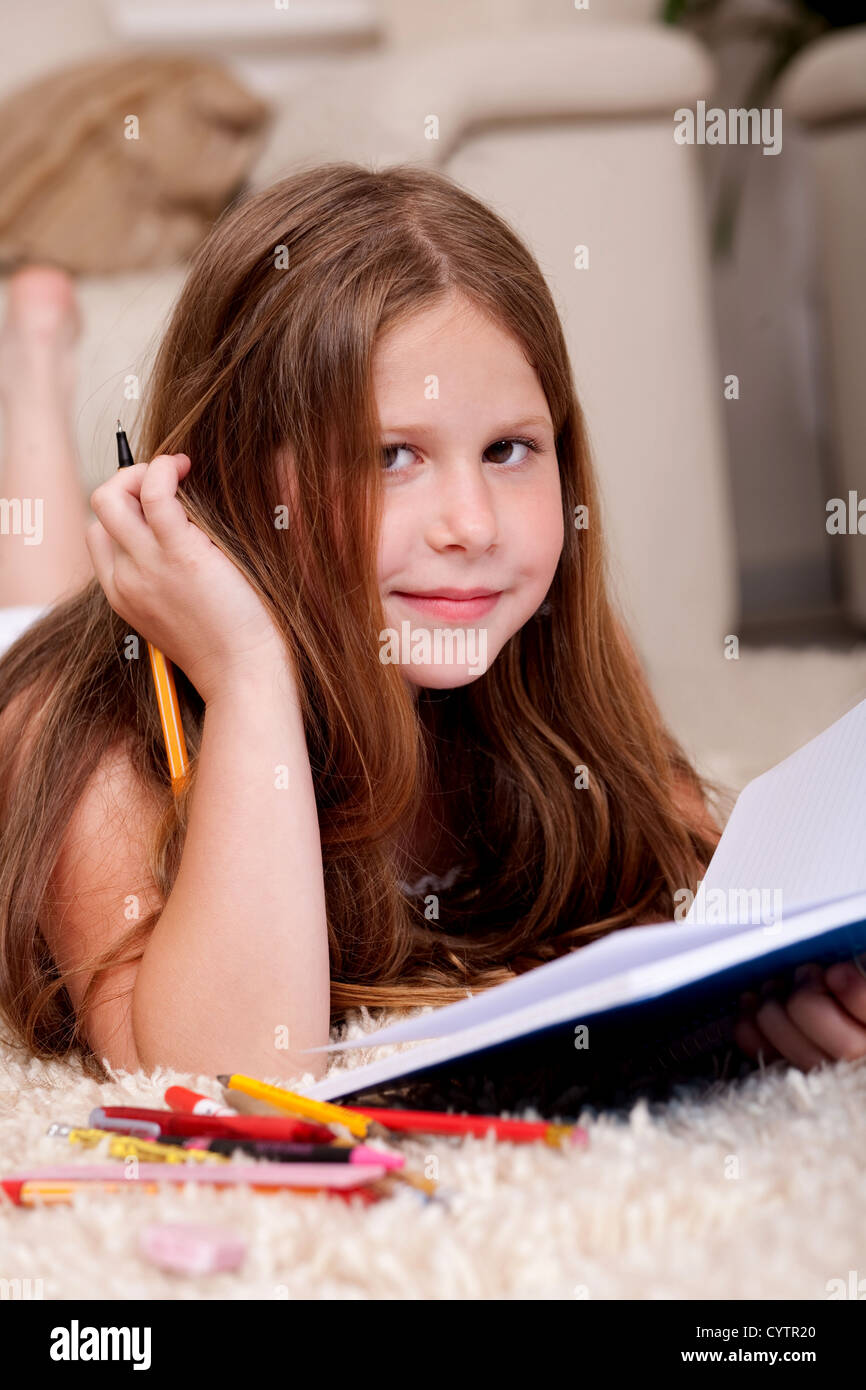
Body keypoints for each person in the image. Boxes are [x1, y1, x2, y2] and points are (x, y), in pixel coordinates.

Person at [0, 163, 863, 1085]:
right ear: (229, 480)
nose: (474, 527)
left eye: (508, 450)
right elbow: (225, 1076)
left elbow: (711, 901)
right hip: (30, 653)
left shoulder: (550, 657)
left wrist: (793, 994)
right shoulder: (86, 740)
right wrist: (249, 674)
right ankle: (32, 364)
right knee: (37, 582)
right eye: (390, 455)